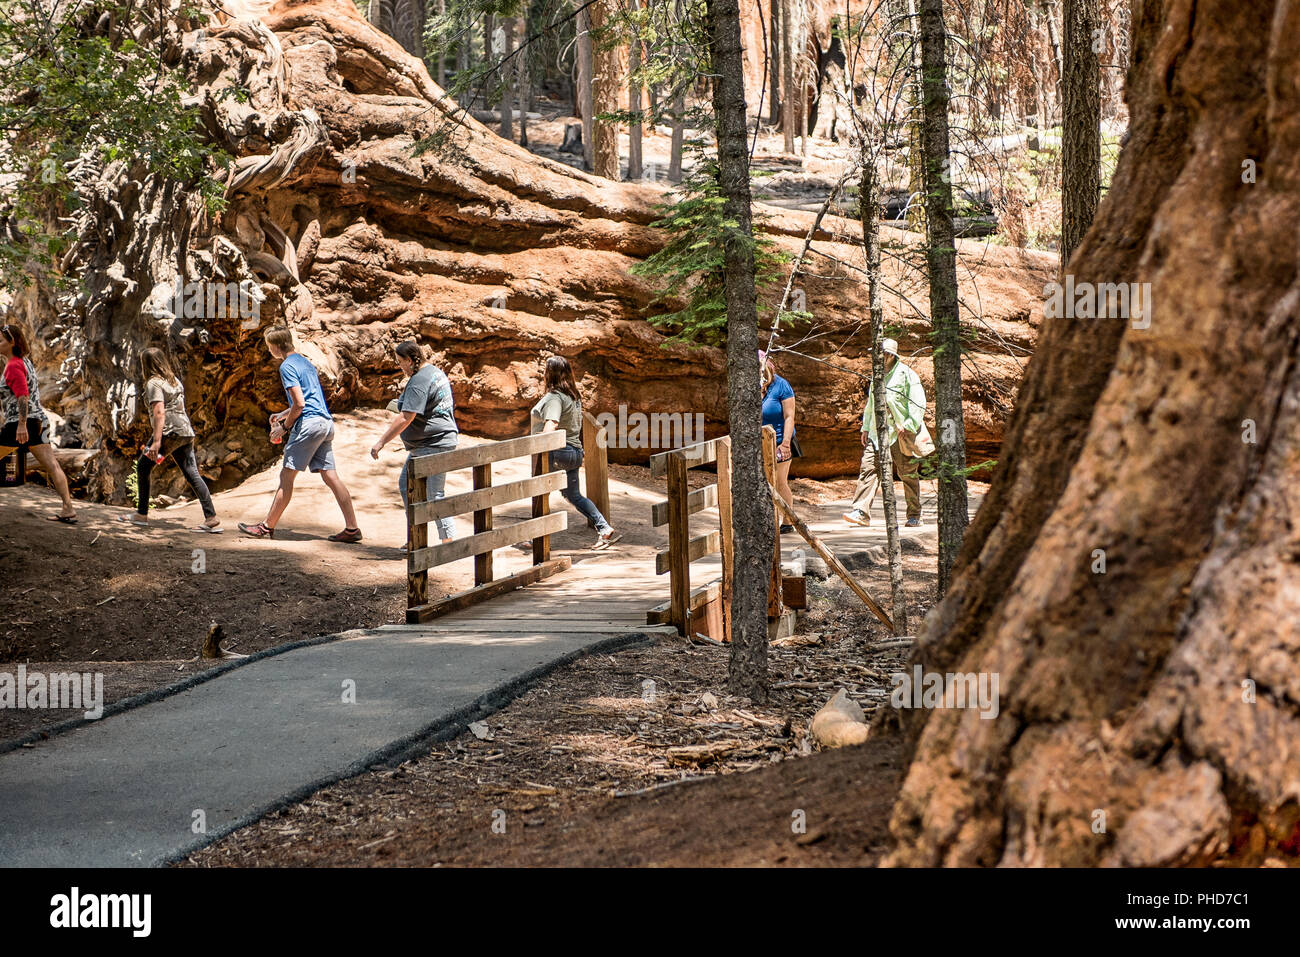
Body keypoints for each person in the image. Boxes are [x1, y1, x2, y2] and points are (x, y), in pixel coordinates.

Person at [239, 326, 362, 542]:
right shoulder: (305, 362)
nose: (269, 351)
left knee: (287, 475)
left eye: (269, 347)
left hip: (309, 425)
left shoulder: (286, 366)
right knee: (331, 476)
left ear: (276, 346)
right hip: (325, 423)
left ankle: (267, 527)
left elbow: (300, 404)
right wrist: (282, 413)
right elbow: (309, 400)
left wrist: (283, 427)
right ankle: (352, 528)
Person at [118, 348, 221, 532]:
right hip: (185, 430)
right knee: (192, 473)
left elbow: (159, 412)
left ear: (145, 365)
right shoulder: (173, 380)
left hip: (170, 432)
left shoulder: (154, 383)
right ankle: (211, 517)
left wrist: (157, 442)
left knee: (143, 467)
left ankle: (141, 515)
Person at [370, 341, 459, 544]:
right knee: (406, 485)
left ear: (410, 360)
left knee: (434, 493)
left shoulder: (420, 379)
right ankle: (417, 538)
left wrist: (381, 442)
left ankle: (448, 541)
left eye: (400, 361)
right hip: (429, 444)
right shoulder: (434, 372)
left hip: (434, 444)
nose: (399, 366)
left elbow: (406, 417)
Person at [530, 356, 619, 549]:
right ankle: (604, 527)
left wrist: (538, 447)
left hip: (557, 453)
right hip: (574, 453)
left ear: (549, 374)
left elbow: (551, 425)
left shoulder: (555, 397)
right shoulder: (573, 396)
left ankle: (535, 537)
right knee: (574, 495)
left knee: (538, 490)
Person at [843, 338, 933, 528]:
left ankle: (915, 514)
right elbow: (870, 405)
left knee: (907, 474)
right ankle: (861, 512)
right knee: (868, 470)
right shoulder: (876, 377)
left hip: (899, 434)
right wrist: (866, 427)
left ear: (890, 355)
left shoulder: (908, 375)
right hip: (877, 434)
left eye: (880, 353)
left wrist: (908, 425)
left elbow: (918, 403)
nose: (875, 357)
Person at [0, 322, 77, 523]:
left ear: (12, 342)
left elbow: (23, 397)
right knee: (52, 465)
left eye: (0, 341)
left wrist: (21, 425)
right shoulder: (25, 362)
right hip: (39, 421)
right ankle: (68, 508)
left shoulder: (14, 365)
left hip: (20, 424)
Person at [760, 350, 799, 533]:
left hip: (779, 439)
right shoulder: (752, 386)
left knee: (779, 481)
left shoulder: (781, 386)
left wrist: (785, 443)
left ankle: (788, 521)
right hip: (759, 442)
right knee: (763, 481)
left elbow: (789, 416)